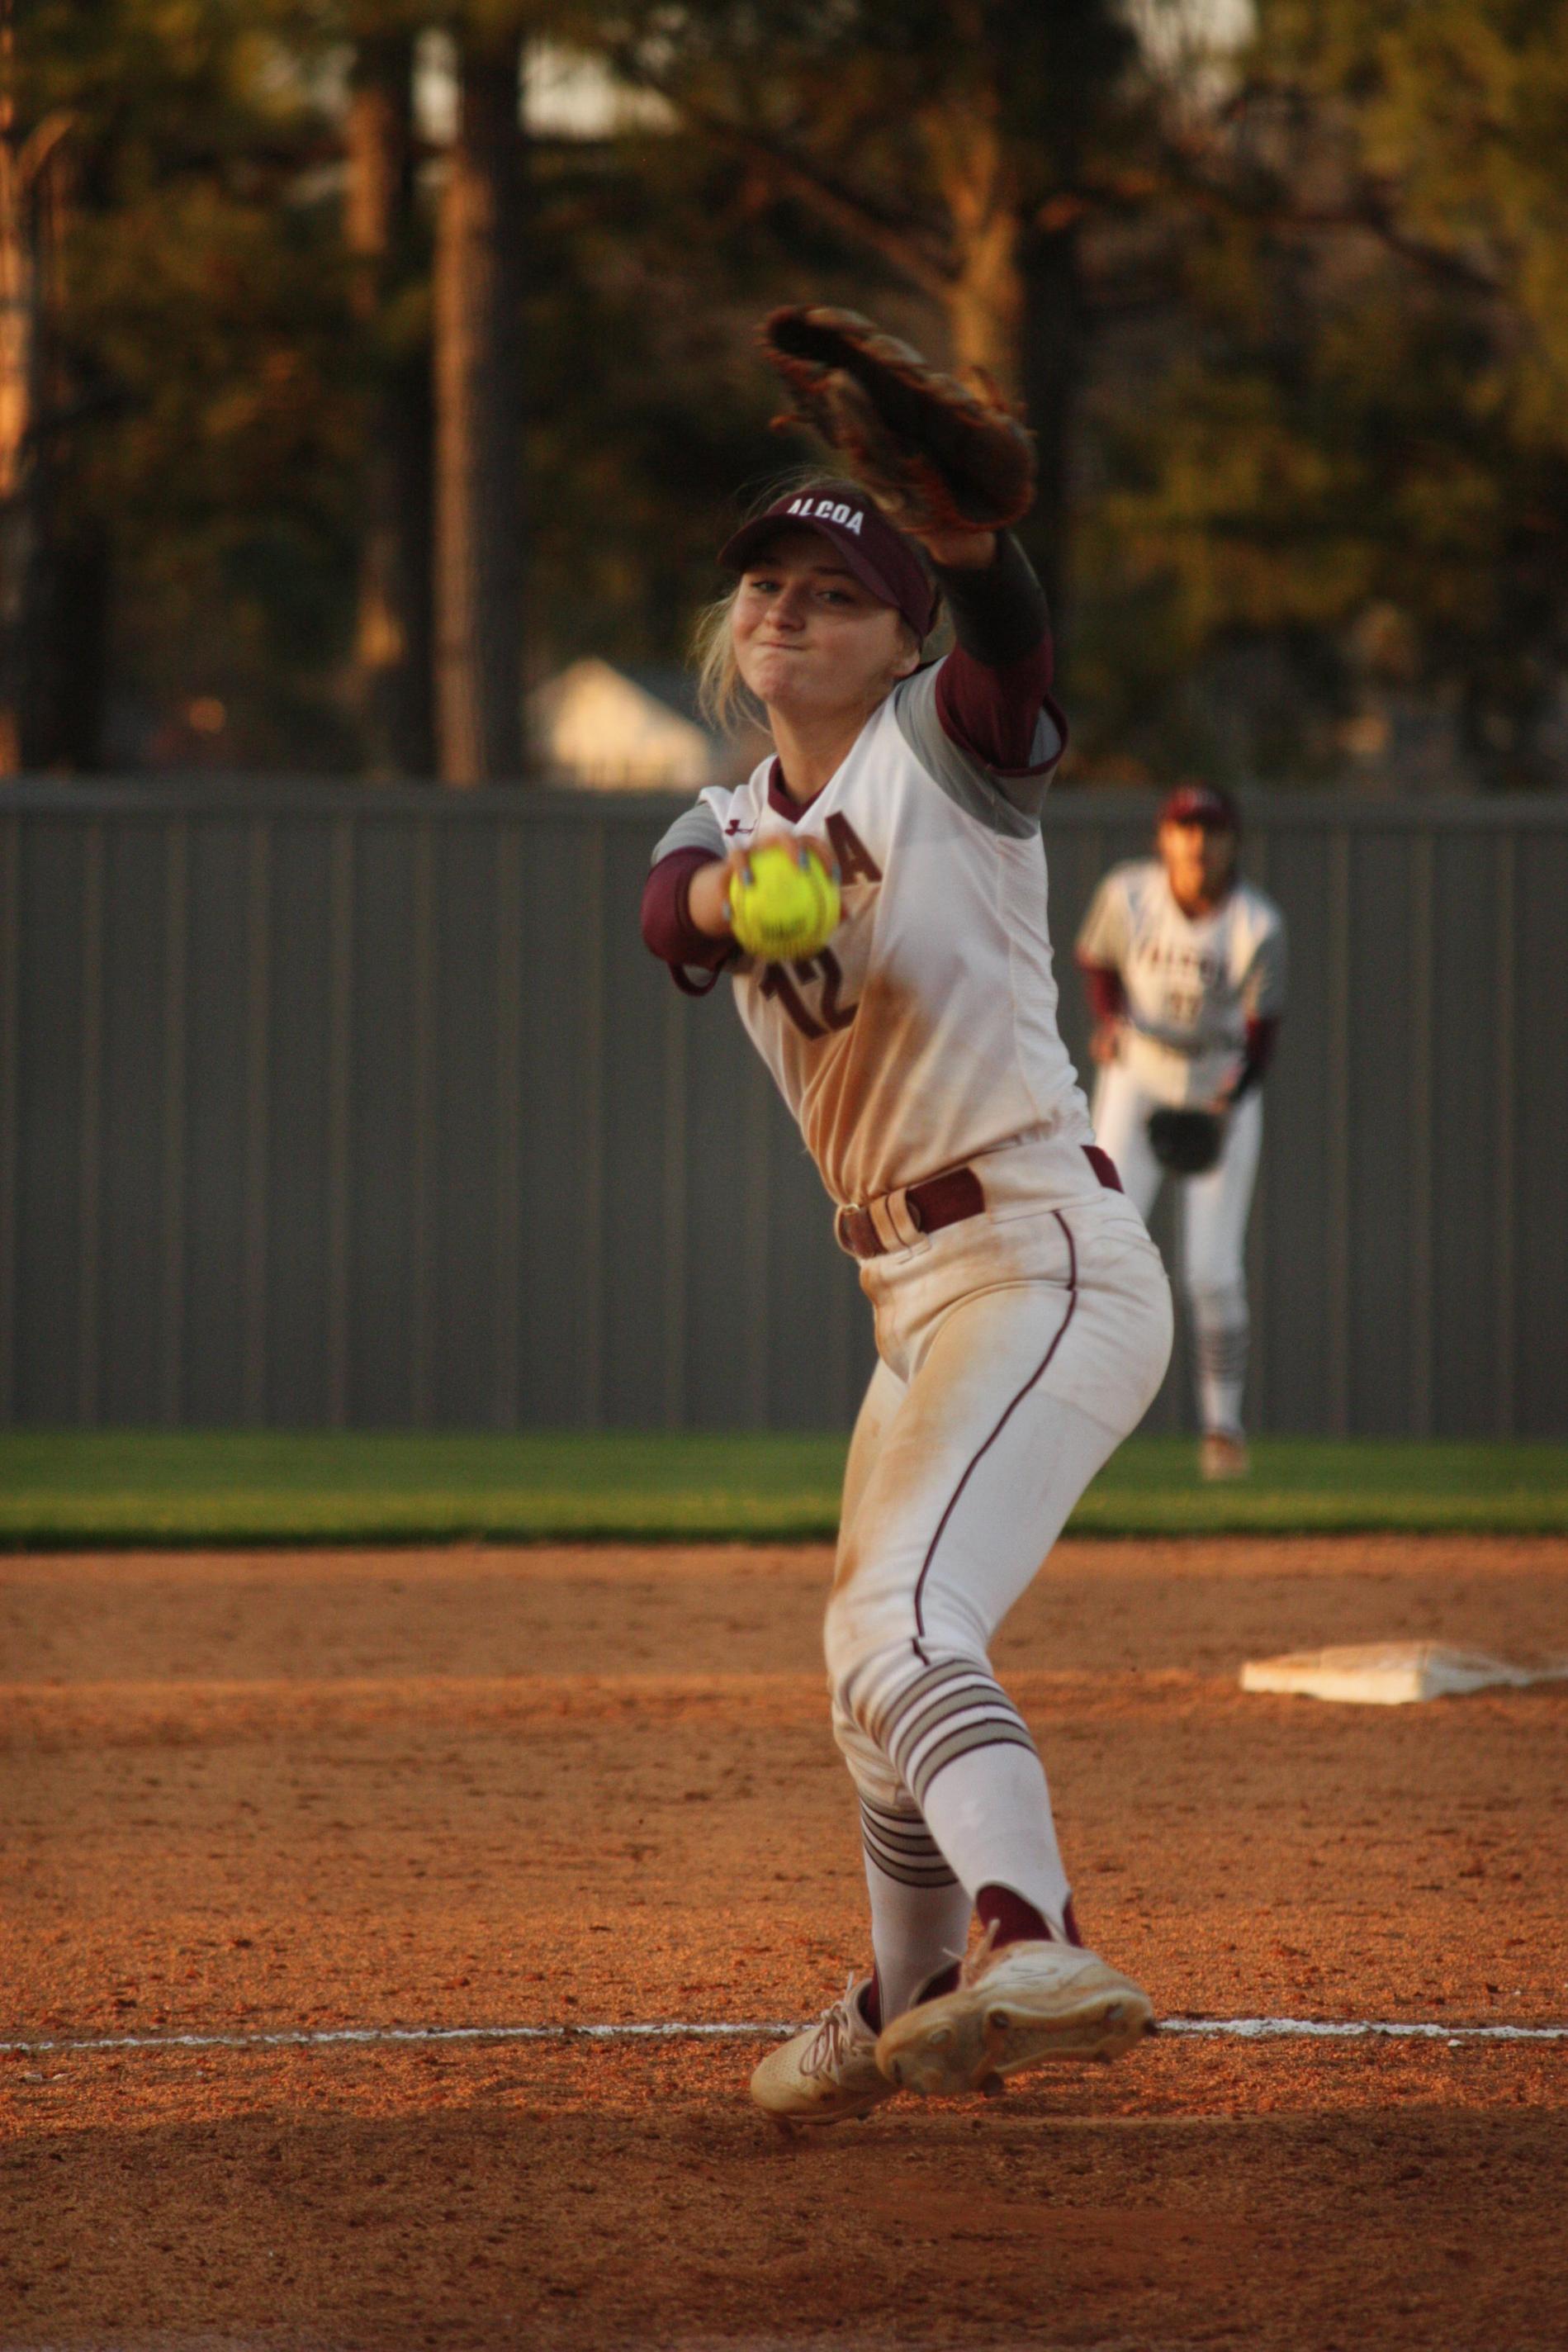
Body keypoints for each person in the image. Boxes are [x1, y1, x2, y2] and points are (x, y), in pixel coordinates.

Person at [640, 467, 1173, 2129]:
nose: (783, 610)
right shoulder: (717, 821)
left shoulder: (941, 743)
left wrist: (978, 551)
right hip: (915, 1290)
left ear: (896, 644)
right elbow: (675, 911)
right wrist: (742, 897)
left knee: (898, 1624)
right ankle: (908, 1991)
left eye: (831, 592)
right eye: (765, 585)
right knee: (856, 1664)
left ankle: (1032, 1929)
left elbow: (1011, 644)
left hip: (1038, 1254)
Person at [1074, 785, 1286, 1480]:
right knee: (1102, 1253)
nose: (1196, 843)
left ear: (1231, 842)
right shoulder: (1129, 895)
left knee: (1211, 1273)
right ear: (1162, 839)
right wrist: (1108, 1021)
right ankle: (1084, 1416)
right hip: (1139, 1076)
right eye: (1183, 828)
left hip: (1217, 1086)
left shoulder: (1257, 925)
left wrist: (1232, 1097)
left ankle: (1223, 1431)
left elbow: (1260, 1038)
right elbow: (1097, 959)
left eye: (1210, 830)